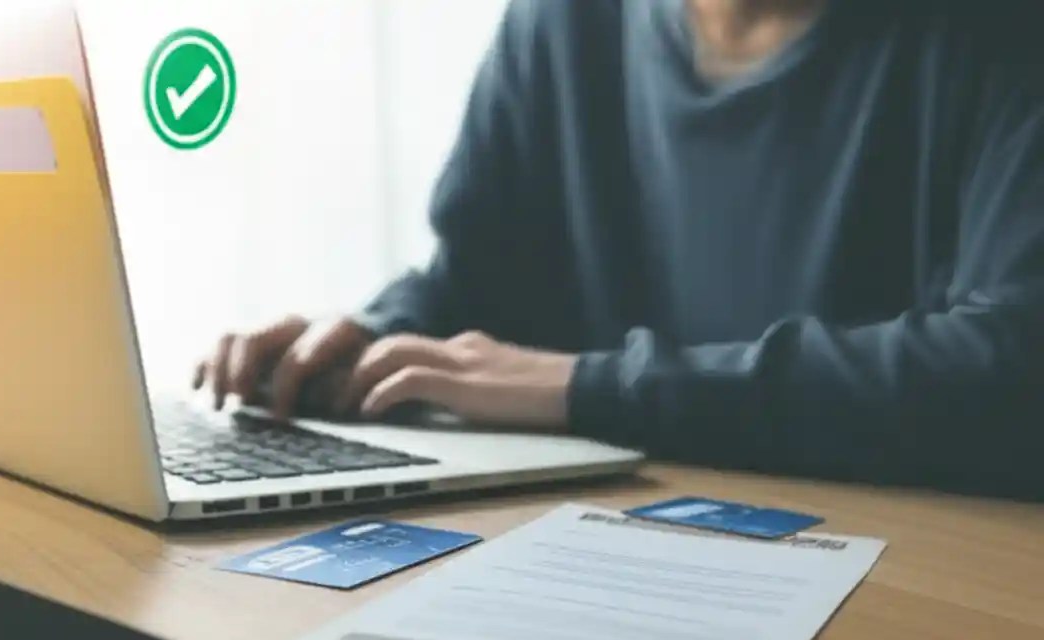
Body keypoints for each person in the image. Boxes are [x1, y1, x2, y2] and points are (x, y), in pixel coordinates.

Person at [195, 0, 1044, 495]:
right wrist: (369, 340)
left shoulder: (999, 39)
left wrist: (589, 386)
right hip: (625, 538)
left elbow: (1010, 369)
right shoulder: (566, 20)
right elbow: (481, 283)